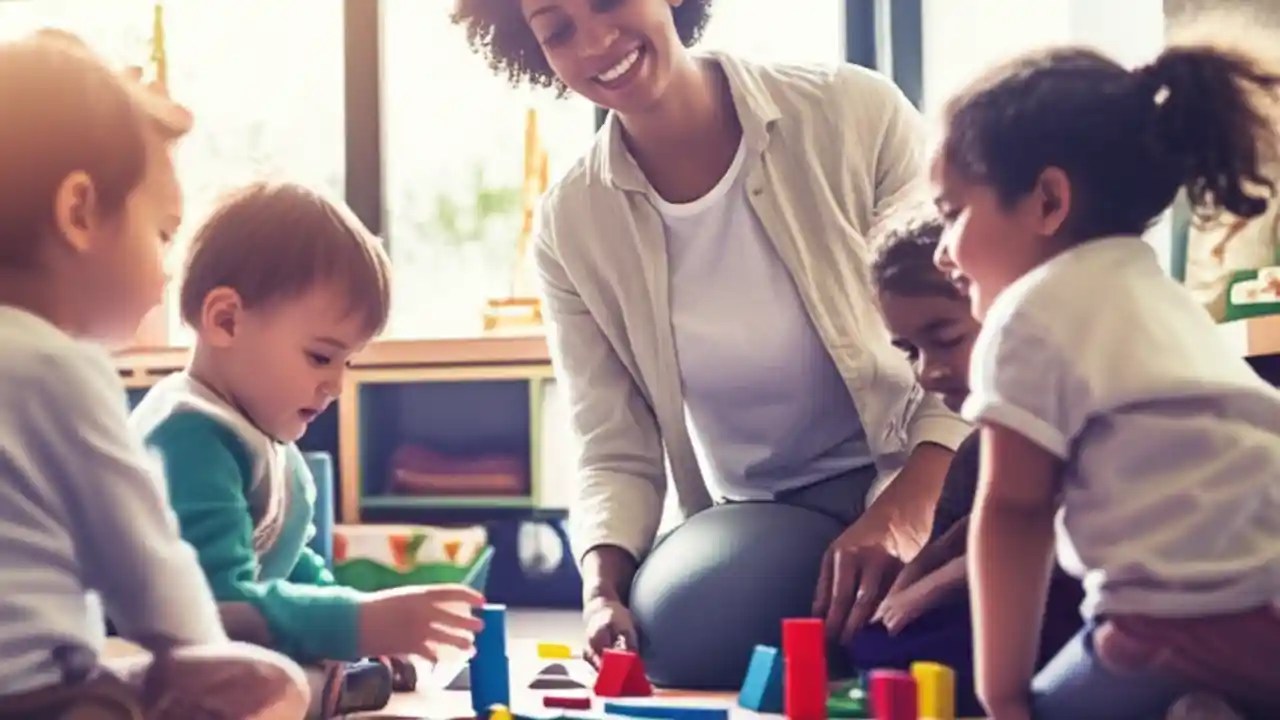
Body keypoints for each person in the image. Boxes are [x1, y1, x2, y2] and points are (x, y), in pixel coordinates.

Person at [452, 0, 969, 686]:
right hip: (775, 511)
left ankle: (895, 624)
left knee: (1005, 591)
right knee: (678, 632)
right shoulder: (573, 224)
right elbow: (611, 441)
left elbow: (966, 323)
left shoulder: (854, 109)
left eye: (609, 2)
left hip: (935, 464)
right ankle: (880, 629)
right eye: (558, 30)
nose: (597, 40)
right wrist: (603, 591)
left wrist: (907, 510)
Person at [929, 15, 1280, 720]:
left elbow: (1015, 509)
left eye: (951, 213)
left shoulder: (1029, 315)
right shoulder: (1161, 297)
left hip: (1174, 625)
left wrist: (1002, 696)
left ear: (1049, 201)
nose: (943, 253)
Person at [0, 32, 309, 718]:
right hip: (38, 698)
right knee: (270, 684)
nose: (168, 268)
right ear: (79, 213)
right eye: (163, 233)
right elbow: (146, 572)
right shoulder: (58, 368)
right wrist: (209, 669)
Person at [129, 182, 487, 716]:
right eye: (321, 357)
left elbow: (289, 562)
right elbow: (216, 602)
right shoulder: (188, 436)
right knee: (275, 688)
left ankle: (335, 684)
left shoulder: (260, 431)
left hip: (203, 644)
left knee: (306, 672)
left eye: (348, 363)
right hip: (134, 653)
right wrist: (357, 624)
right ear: (226, 320)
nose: (337, 386)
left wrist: (358, 616)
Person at [848, 210, 1084, 716]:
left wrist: (932, 586)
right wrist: (906, 593)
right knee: (876, 651)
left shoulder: (1076, 412)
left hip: (1093, 609)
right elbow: (946, 547)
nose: (928, 371)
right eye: (909, 351)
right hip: (1012, 616)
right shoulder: (977, 448)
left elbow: (1054, 530)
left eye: (947, 339)